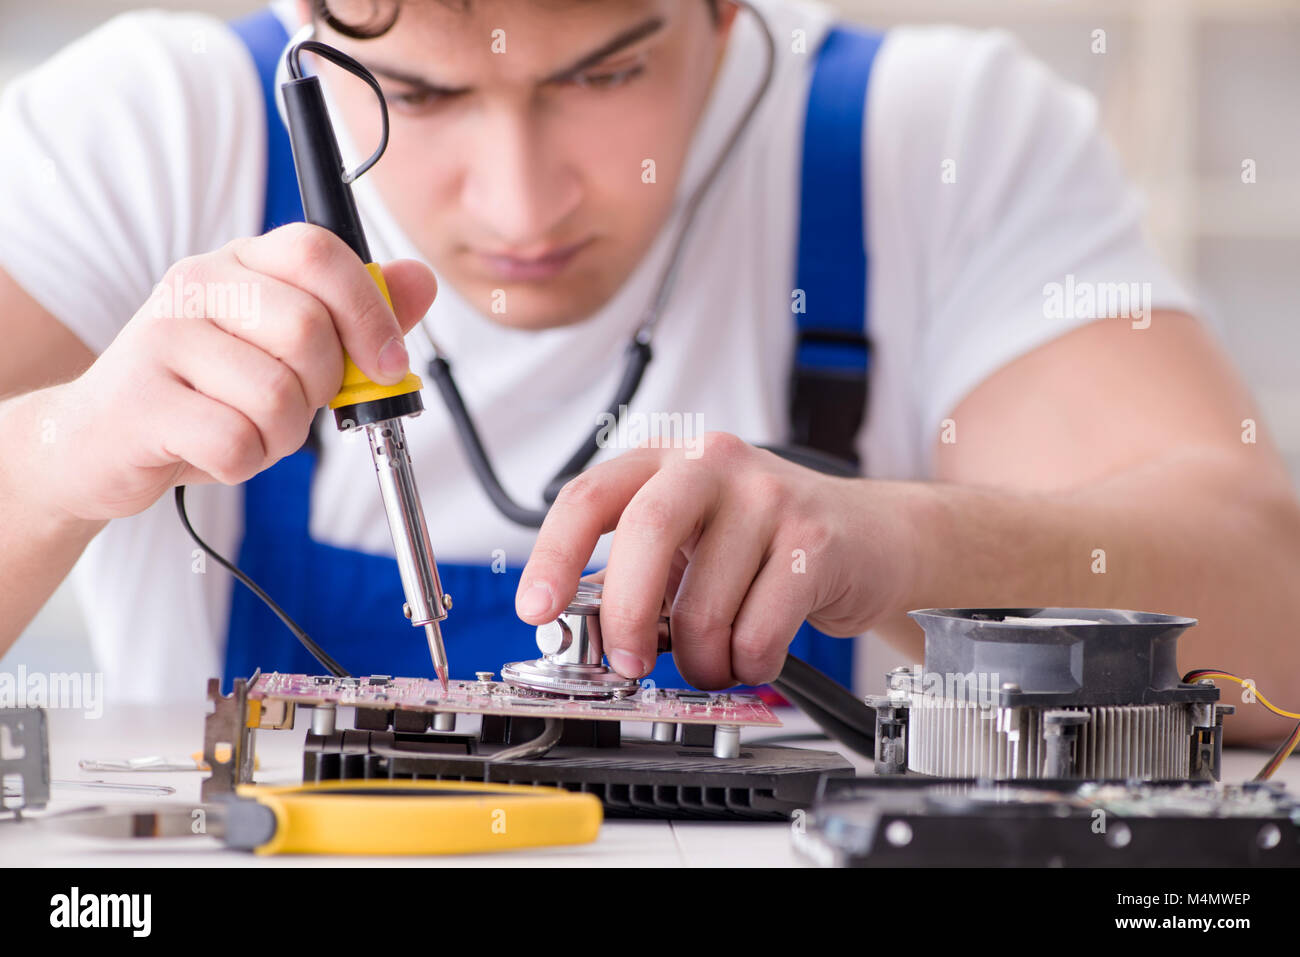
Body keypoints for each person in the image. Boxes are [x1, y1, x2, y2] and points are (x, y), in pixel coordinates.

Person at [0, 0, 1295, 745]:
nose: (518, 202)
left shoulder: (935, 138)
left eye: (606, 69)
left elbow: (1273, 627)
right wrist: (57, 456)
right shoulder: (144, 135)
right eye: (415, 96)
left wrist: (907, 541)